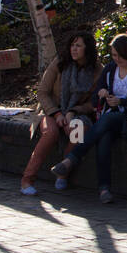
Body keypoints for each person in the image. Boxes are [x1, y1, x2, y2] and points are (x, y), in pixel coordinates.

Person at [52, 33, 127, 204]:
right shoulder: (110, 69)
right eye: (114, 55)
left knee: (107, 121)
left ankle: (72, 158)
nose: (117, 59)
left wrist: (122, 101)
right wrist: (102, 94)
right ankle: (104, 189)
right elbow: (94, 98)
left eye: (120, 56)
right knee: (104, 137)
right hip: (111, 118)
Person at [21, 32, 101, 196]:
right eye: (72, 45)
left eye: (78, 46)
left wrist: (73, 111)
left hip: (76, 113)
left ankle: (63, 172)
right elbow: (42, 93)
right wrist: (57, 114)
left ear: (88, 49)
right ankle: (27, 179)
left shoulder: (97, 70)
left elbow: (94, 102)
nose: (74, 49)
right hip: (52, 111)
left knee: (78, 130)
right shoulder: (59, 63)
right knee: (50, 133)